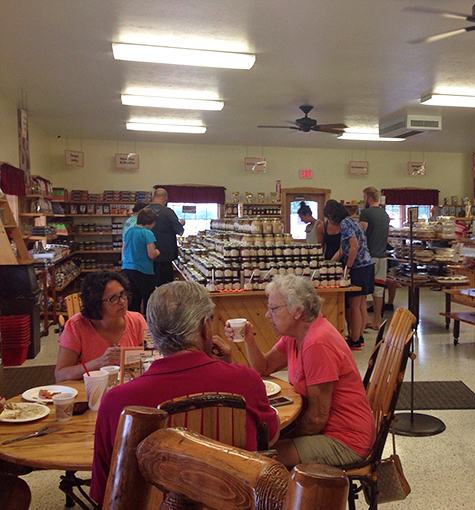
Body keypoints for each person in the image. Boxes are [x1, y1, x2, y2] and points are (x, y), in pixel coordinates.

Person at [90, 281, 278, 505]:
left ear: (154, 332)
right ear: (204, 328)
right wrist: (229, 369)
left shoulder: (116, 400)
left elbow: (103, 489)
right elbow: (268, 437)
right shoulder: (247, 380)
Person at [226, 275, 374, 469]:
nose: (267, 315)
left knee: (259, 462)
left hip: (345, 439)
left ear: (297, 311)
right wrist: (248, 339)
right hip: (328, 430)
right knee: (259, 447)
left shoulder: (317, 343)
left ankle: (289, 499)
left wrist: (282, 433)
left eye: (274, 309)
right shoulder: (296, 336)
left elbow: (317, 418)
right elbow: (263, 368)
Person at [54, 271, 146, 382]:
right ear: (96, 303)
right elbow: (60, 375)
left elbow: (152, 359)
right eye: (113, 299)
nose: (122, 302)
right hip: (90, 392)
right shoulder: (76, 325)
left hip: (129, 390)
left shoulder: (137, 320)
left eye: (122, 294)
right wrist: (99, 362)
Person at [323, 199, 374, 350]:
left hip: (360, 266)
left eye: (329, 217)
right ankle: (357, 335)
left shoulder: (345, 223)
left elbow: (353, 247)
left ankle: (355, 340)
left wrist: (348, 268)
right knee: (357, 304)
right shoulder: (350, 221)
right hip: (365, 265)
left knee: (354, 305)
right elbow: (342, 249)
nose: (329, 221)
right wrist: (329, 264)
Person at [359, 187, 390, 330]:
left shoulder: (365, 213)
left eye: (364, 197)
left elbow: (361, 232)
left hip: (368, 257)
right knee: (379, 291)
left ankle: (365, 319)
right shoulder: (385, 215)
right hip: (382, 257)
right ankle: (376, 321)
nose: (363, 200)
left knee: (363, 291)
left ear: (369, 198)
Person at [121, 208, 160, 314]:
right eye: (153, 223)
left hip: (127, 269)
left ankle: (134, 323)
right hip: (143, 270)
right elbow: (151, 254)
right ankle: (148, 324)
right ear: (149, 222)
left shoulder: (129, 231)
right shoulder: (147, 233)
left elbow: (123, 250)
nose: (154, 225)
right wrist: (157, 251)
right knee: (149, 299)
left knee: (132, 300)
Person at [146, 188, 184, 287]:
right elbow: (180, 231)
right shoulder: (167, 212)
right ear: (165, 199)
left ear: (154, 197)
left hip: (146, 254)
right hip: (164, 254)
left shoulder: (144, 211)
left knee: (149, 285)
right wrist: (181, 224)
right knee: (164, 286)